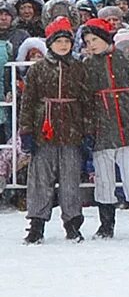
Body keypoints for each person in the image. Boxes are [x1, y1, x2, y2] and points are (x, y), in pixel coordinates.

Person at [84, 16, 129, 238]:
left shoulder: (126, 59)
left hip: (127, 123)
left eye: (94, 39)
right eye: (87, 41)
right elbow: (84, 99)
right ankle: (106, 224)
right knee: (103, 176)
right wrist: (88, 129)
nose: (91, 44)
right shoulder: (87, 65)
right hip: (100, 126)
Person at [19, 19, 88, 244]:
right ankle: (36, 224)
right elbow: (28, 102)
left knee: (70, 178)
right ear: (50, 43)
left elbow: (87, 100)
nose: (63, 45)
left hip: (71, 127)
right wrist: (26, 130)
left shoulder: (78, 67)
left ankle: (73, 223)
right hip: (44, 128)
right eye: (59, 41)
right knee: (40, 178)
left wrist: (87, 128)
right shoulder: (38, 68)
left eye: (67, 41)